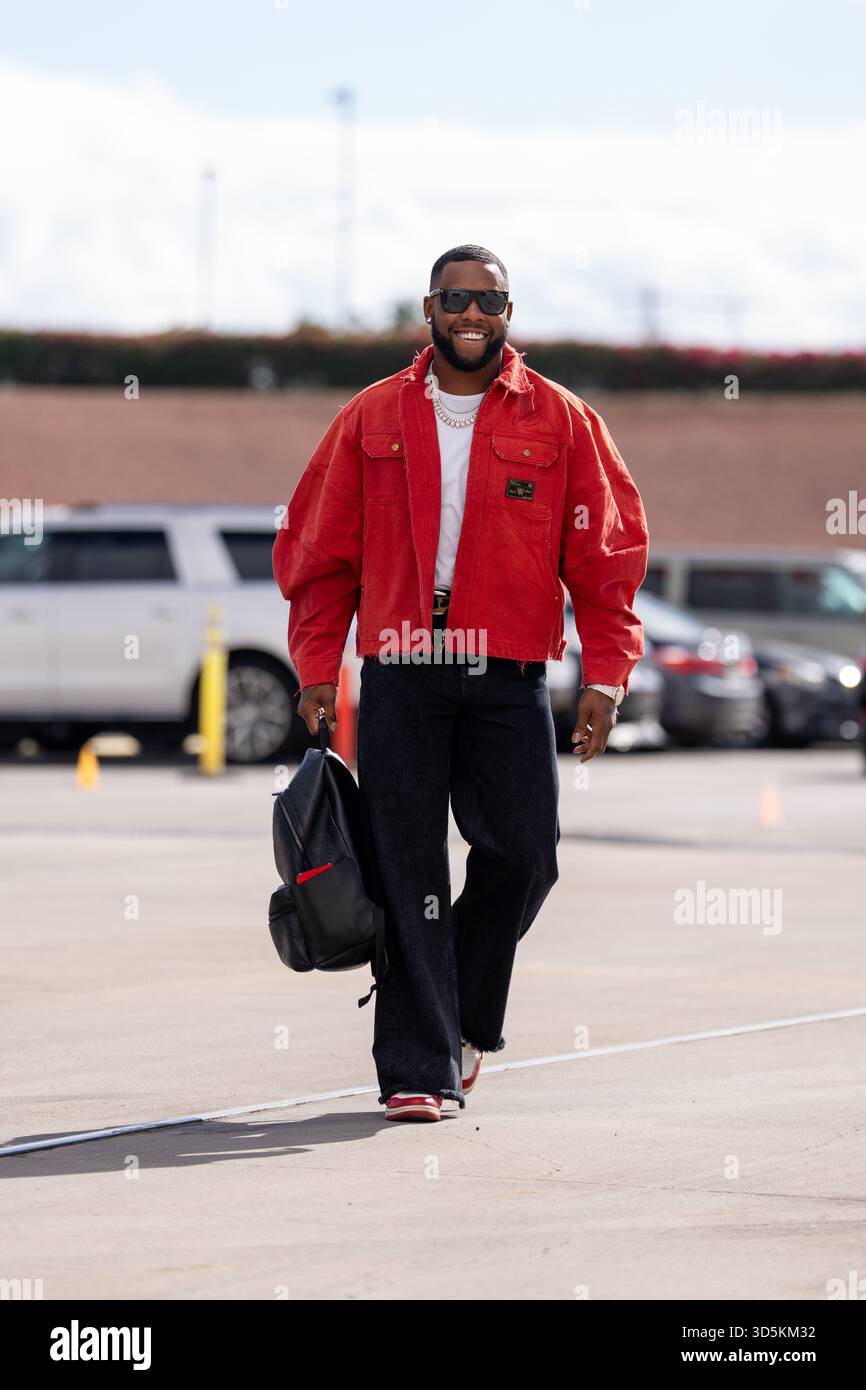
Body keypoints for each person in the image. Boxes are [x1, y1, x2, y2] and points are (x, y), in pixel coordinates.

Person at [273, 244, 649, 1122]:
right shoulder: (371, 418)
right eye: (456, 299)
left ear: (509, 313)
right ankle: (417, 1066)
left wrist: (609, 676)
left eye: (490, 300)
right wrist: (317, 665)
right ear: (429, 310)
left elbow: (608, 561)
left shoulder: (561, 420)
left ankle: (466, 1019)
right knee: (409, 870)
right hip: (402, 671)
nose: (472, 314)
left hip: (509, 674)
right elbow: (319, 558)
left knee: (526, 852)